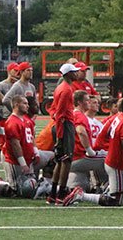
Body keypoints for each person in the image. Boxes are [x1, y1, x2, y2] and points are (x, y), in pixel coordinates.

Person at [47, 63, 79, 205]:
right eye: (74, 71)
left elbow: (54, 110)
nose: (76, 74)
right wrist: (60, 137)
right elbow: (60, 114)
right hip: (64, 126)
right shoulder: (66, 90)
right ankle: (61, 194)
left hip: (61, 125)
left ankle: (53, 194)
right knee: (66, 160)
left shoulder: (61, 87)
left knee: (60, 160)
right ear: (68, 74)